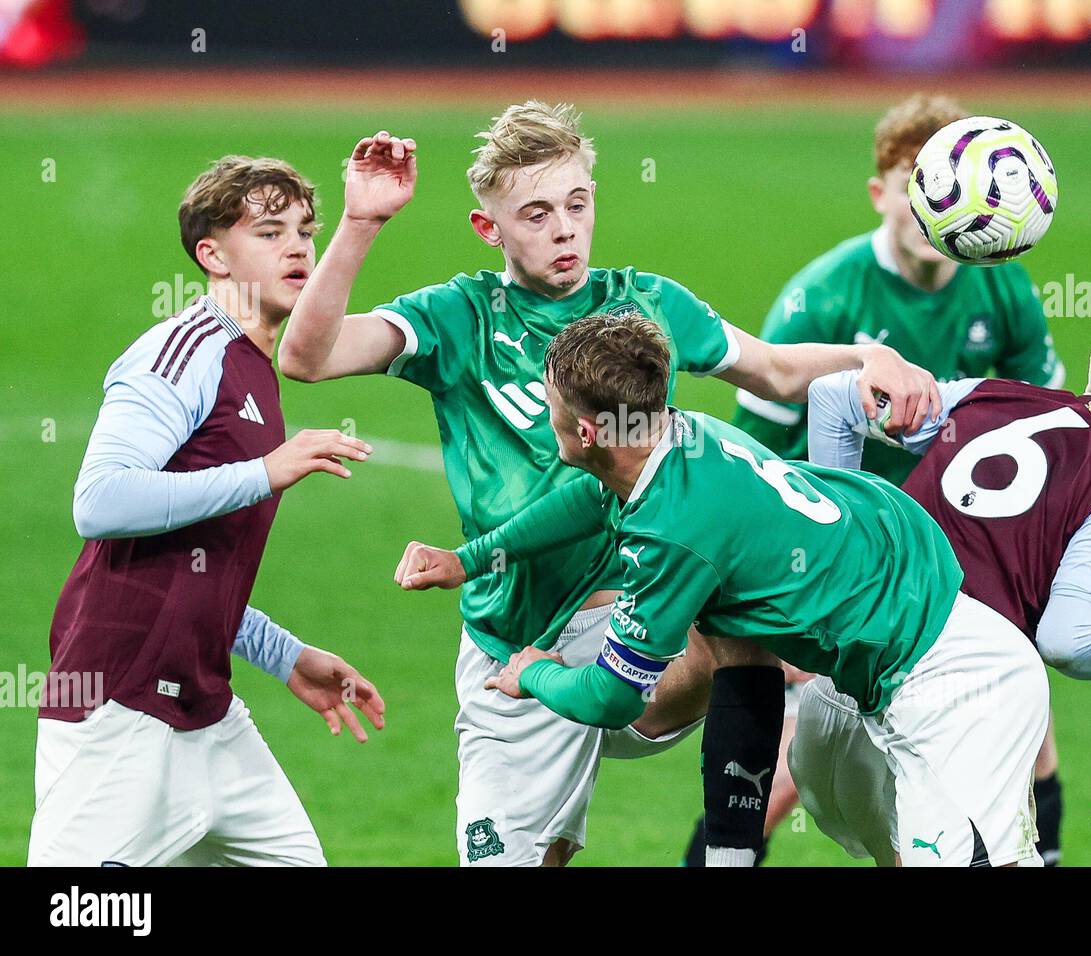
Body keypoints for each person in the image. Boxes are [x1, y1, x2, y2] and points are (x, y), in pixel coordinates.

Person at [279, 104, 938, 867]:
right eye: (536, 214)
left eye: (576, 205)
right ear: (489, 228)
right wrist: (361, 221)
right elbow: (306, 358)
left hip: (637, 622)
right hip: (514, 641)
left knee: (744, 617)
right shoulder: (459, 317)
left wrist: (866, 357)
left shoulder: (647, 306)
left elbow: (778, 370)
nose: (564, 230)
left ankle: (738, 851)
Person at [398, 312, 1050, 867]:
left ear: (588, 431)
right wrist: (469, 560)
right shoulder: (681, 436)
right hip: (881, 663)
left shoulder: (673, 539)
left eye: (551, 404)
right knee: (838, 791)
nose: (547, 414)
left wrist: (534, 673)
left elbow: (613, 698)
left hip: (952, 683)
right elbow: (592, 502)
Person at [724, 93, 1076, 864]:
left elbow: (1050, 431)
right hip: (847, 555)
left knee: (1028, 731)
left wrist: (1082, 562)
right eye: (921, 184)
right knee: (786, 769)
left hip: (956, 544)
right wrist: (790, 585)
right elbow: (754, 457)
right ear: (882, 192)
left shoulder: (1002, 287)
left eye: (952, 185)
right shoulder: (824, 295)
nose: (936, 207)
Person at [29, 156, 384, 867]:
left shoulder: (255, 367)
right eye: (269, 232)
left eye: (304, 231)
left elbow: (196, 565)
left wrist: (285, 655)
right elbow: (98, 500)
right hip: (120, 703)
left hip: (205, 713)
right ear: (213, 256)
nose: (297, 248)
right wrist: (264, 472)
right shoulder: (183, 351)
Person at [792, 316, 1091, 864]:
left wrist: (841, 553)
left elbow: (834, 399)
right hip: (950, 707)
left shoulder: (990, 397)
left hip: (834, 699)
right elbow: (1069, 638)